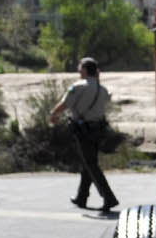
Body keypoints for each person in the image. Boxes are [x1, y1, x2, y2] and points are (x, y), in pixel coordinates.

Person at [49, 58, 119, 212]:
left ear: (85, 70)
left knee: (91, 164)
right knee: (88, 161)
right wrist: (97, 80)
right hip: (98, 130)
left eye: (80, 68)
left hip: (83, 130)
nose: (79, 71)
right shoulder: (103, 89)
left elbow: (64, 104)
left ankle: (108, 197)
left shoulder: (78, 87)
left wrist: (53, 114)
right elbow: (106, 99)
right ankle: (82, 197)